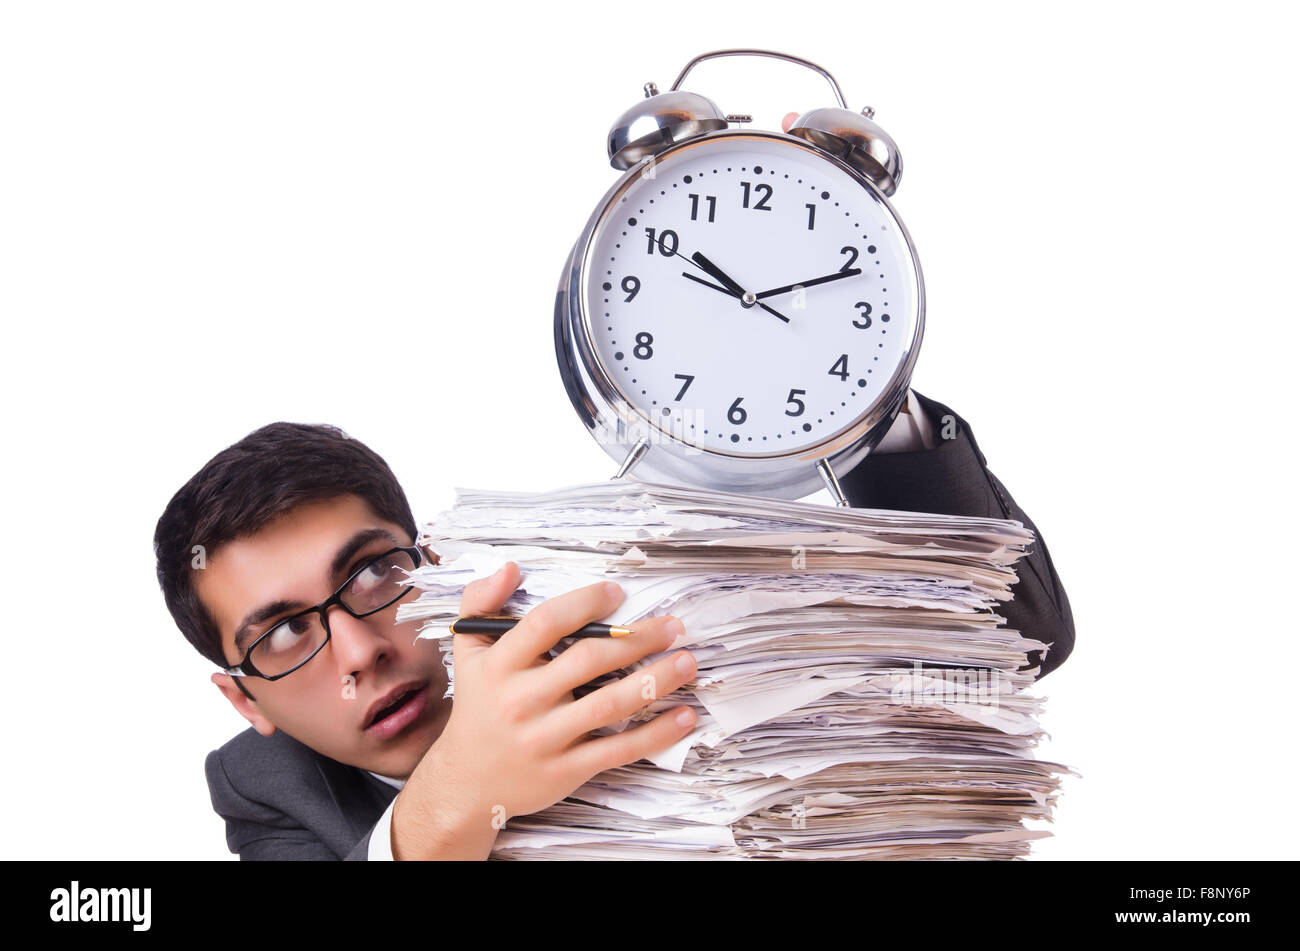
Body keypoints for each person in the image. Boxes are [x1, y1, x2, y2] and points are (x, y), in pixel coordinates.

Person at [154, 390, 1073, 860]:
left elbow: (1017, 637)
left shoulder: (598, 604)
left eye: (370, 573)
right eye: (279, 634)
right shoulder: (269, 791)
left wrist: (867, 406)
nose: (360, 648)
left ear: (434, 560)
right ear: (244, 701)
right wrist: (454, 800)